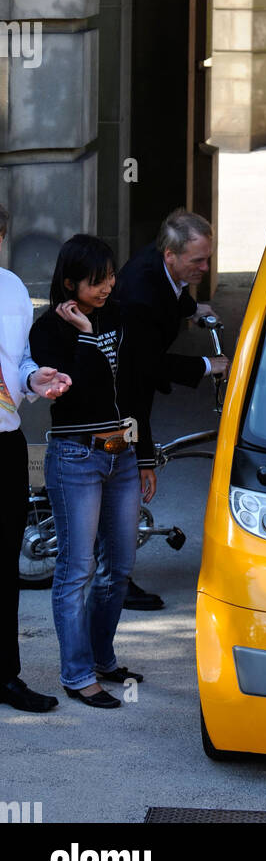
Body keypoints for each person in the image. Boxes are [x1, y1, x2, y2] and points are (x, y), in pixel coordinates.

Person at [29, 235, 153, 710]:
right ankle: (77, 674)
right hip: (77, 456)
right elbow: (76, 392)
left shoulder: (119, 317)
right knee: (76, 569)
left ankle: (102, 659)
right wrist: (82, 335)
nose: (106, 288)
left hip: (123, 454)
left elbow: (136, 388)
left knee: (118, 568)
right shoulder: (48, 331)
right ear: (69, 283)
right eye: (95, 281)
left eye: (110, 278)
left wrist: (145, 455)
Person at [115, 209, 229, 609]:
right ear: (170, 255)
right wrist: (205, 365)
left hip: (133, 376)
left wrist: (190, 310)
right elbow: (144, 365)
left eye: (207, 257)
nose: (205, 267)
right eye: (197, 261)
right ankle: (117, 580)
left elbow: (172, 292)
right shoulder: (139, 294)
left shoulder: (160, 265)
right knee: (127, 476)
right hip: (121, 391)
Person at [0, 203, 73, 713]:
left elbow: (18, 360)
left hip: (4, 439)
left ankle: (5, 676)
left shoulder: (11, 290)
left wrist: (33, 377)